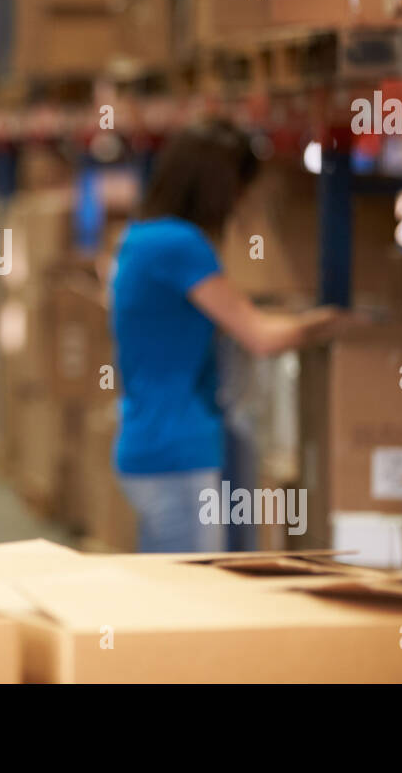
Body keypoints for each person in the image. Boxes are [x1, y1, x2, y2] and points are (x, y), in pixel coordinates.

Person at [108, 122, 346, 553]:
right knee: (191, 601)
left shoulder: (143, 238)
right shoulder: (179, 245)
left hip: (149, 444)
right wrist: (332, 322)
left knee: (166, 594)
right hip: (176, 451)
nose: (239, 204)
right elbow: (259, 335)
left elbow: (232, 314)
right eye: (239, 189)